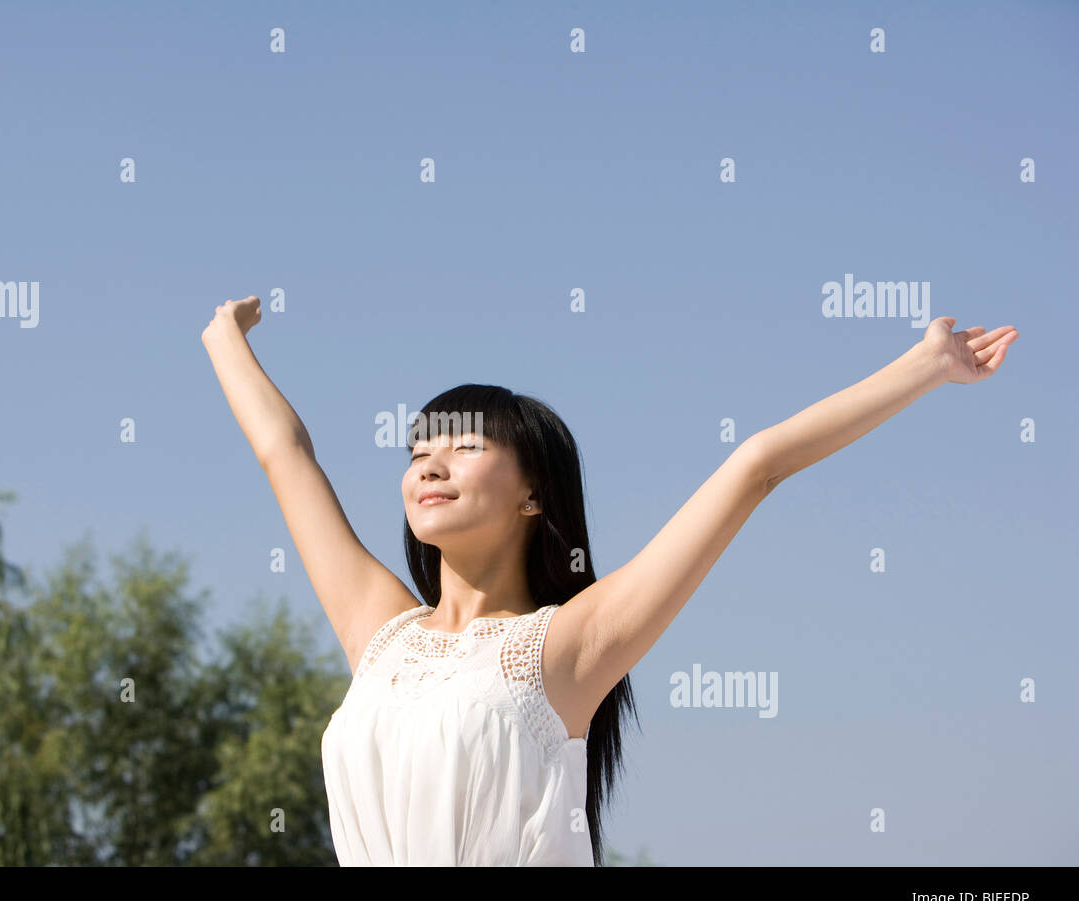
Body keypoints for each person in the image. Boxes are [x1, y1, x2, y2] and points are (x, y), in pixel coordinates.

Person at [201, 295, 1018, 866]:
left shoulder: (563, 647)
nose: (430, 466)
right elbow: (287, 453)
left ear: (532, 493)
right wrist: (223, 336)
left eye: (463, 446)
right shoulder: (380, 634)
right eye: (417, 452)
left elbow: (757, 465)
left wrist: (924, 366)